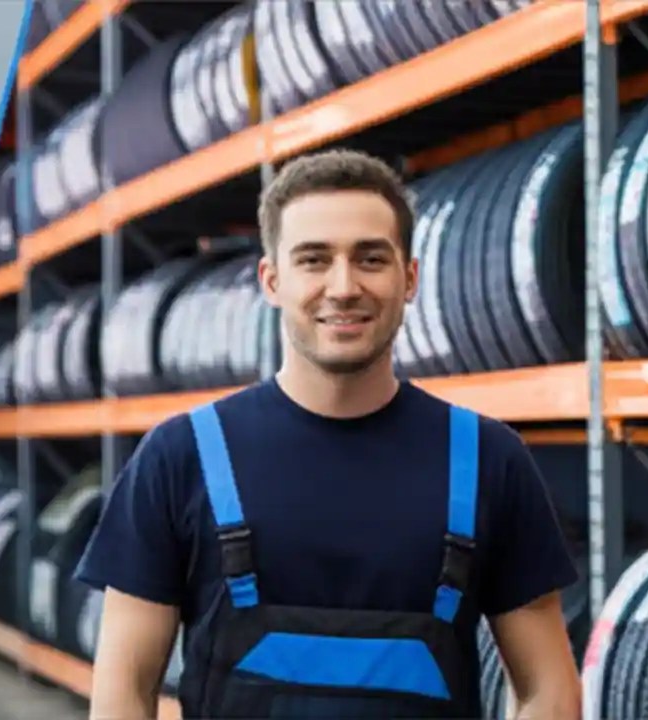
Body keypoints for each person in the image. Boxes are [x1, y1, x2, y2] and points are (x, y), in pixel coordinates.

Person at [74, 149, 582, 719]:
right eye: (314, 260)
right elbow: (122, 693)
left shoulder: (490, 460)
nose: (343, 287)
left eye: (371, 259)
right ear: (271, 280)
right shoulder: (180, 457)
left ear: (409, 277)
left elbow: (549, 692)